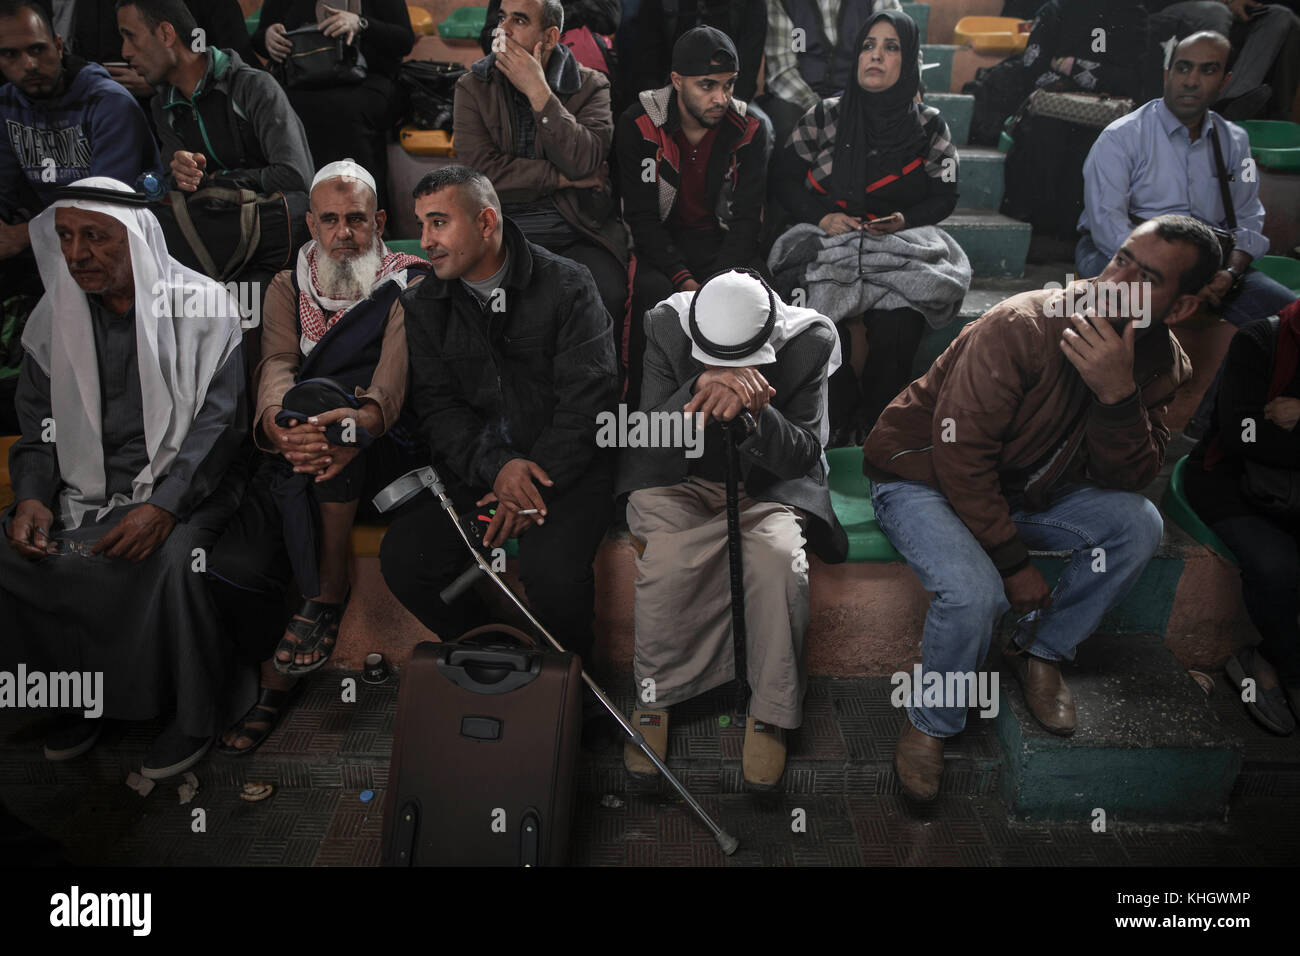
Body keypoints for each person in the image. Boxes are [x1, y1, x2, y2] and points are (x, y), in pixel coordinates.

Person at [864, 215, 1221, 802]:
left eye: (1146, 275)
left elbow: (1130, 478)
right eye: (1122, 256)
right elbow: (960, 456)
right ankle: (932, 722)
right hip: (922, 477)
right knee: (976, 591)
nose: (1119, 276)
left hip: (1026, 491)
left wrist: (1117, 396)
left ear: (1179, 308)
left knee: (1139, 524)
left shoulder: (1164, 363)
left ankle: (1041, 649)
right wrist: (1013, 564)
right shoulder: (1021, 326)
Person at [0, 177, 247, 778]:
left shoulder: (205, 308)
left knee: (172, 562)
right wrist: (32, 496)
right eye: (65, 237)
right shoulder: (52, 316)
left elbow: (217, 433)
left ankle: (192, 716)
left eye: (96, 237)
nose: (78, 254)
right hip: (81, 487)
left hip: (188, 487)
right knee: (16, 551)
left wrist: (163, 505)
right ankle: (81, 698)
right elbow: (39, 430)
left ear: (135, 240)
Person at [378, 166, 619, 730]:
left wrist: (528, 482)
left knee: (553, 570)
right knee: (407, 559)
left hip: (570, 469)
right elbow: (439, 411)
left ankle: (575, 703)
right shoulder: (424, 305)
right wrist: (499, 469)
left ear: (486, 222)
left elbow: (590, 399)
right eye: (421, 225)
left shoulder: (569, 284)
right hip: (477, 471)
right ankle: (505, 661)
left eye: (439, 222)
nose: (426, 240)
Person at [205, 159, 429, 755]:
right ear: (310, 224)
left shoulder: (409, 281)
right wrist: (280, 424)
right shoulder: (287, 286)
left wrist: (364, 417)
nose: (343, 233)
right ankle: (263, 671)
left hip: (381, 445)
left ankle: (325, 598)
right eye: (328, 220)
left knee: (333, 411)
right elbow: (275, 364)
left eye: (356, 219)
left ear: (379, 221)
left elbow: (393, 375)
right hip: (297, 445)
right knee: (233, 567)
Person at [616, 269, 846, 788]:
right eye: (713, 362)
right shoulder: (667, 326)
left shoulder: (810, 340)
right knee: (671, 561)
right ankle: (657, 699)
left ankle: (770, 709)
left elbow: (805, 453)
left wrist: (755, 415)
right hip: (679, 481)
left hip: (765, 487)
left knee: (778, 561)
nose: (728, 372)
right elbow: (648, 437)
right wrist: (695, 390)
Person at [1076, 30, 1297, 438]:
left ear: (1226, 81)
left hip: (1214, 262)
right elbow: (1109, 229)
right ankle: (1109, 428)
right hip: (1128, 255)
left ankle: (1203, 424)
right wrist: (1178, 283)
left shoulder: (1235, 142)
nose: (1192, 81)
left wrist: (1228, 273)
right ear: (1167, 74)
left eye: (1207, 70)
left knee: (1288, 318)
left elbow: (1249, 217)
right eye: (1183, 68)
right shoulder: (1122, 136)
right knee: (1118, 304)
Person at [770, 9, 969, 446]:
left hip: (900, 241)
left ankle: (878, 424)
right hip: (831, 235)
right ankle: (837, 421)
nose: (875, 56)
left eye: (891, 47)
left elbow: (945, 196)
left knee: (898, 323)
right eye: (868, 45)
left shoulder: (928, 124)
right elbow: (782, 179)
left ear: (909, 60)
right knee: (821, 316)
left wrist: (905, 220)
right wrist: (822, 216)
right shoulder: (825, 116)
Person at [453, 0, 629, 344]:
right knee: (495, 306)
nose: (502, 30)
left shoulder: (592, 86)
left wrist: (539, 92)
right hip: (501, 233)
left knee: (607, 293)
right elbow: (481, 177)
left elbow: (585, 162)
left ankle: (597, 396)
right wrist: (561, 178)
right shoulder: (472, 86)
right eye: (501, 18)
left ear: (549, 37)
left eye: (519, 20)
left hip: (577, 230)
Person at [615, 26, 770, 410]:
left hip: (722, 247)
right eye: (707, 86)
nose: (721, 98)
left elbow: (747, 221)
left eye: (729, 85)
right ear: (676, 81)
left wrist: (715, 285)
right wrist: (684, 280)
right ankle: (643, 419)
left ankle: (744, 423)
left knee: (759, 296)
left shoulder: (748, 129)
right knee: (652, 300)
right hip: (661, 246)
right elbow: (641, 218)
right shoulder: (640, 124)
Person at [1184, 298, 1300, 736]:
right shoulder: (1262, 339)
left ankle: (1267, 659)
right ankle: (1289, 673)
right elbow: (1243, 436)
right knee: (1276, 567)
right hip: (1232, 481)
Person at [0, 0, 161, 269]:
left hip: (121, 246)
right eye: (10, 55)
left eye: (37, 49)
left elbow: (105, 205)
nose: (29, 65)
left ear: (59, 45)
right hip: (51, 244)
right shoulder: (6, 104)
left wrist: (22, 234)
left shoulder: (108, 102)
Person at [118, 0, 313, 199]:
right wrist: (181, 177)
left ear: (166, 34)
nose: (125, 52)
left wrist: (217, 179)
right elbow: (173, 188)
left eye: (131, 37)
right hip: (209, 225)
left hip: (272, 224)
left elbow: (295, 177)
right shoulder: (163, 105)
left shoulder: (254, 86)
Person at [253, 0, 415, 212]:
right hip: (301, 80)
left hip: (369, 78)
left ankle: (366, 214)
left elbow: (404, 40)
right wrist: (268, 38)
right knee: (284, 111)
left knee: (345, 112)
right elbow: (258, 38)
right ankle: (301, 220)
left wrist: (361, 23)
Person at [760, 0, 902, 152]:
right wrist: (819, 109)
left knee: (876, 119)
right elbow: (782, 69)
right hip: (800, 96)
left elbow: (903, 45)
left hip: (860, 91)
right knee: (788, 126)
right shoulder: (783, 3)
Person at [63, 0, 255, 99]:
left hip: (198, 105)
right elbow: (84, 61)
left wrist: (159, 83)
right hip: (115, 104)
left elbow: (237, 63)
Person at [1148, 0, 1300, 120]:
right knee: (1215, 12)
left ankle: (1230, 101)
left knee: (1281, 16)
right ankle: (1202, 108)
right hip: (1168, 9)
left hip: (1225, 9)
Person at [619, 0, 765, 105]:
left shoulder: (749, 4)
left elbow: (747, 73)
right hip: (667, 98)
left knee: (762, 126)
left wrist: (721, 109)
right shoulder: (661, 4)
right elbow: (646, 66)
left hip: (727, 100)